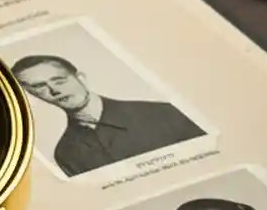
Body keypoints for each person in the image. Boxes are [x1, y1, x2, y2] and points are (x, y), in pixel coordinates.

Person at [11, 55, 205, 176]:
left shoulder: (163, 114)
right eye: (39, 87)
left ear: (80, 78)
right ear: (32, 95)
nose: (53, 90)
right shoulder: (66, 153)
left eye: (59, 80)